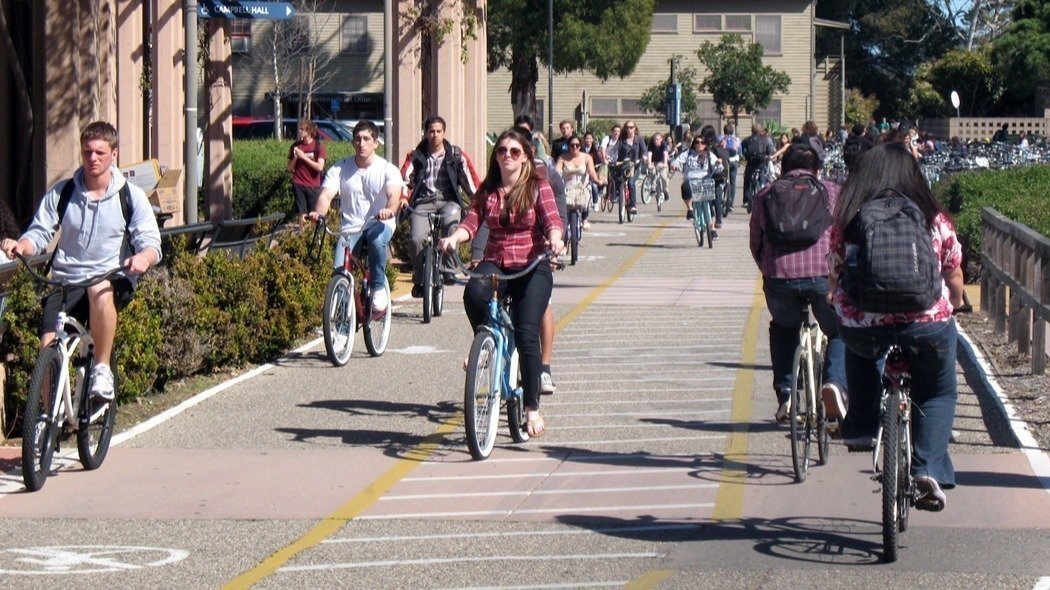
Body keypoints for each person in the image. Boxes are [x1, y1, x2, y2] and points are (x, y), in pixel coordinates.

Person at [827, 142, 965, 512]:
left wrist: (838, 295)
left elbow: (835, 268)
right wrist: (957, 300)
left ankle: (859, 426)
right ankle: (927, 468)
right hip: (925, 324)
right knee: (938, 392)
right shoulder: (932, 216)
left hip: (864, 322)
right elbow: (953, 269)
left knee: (857, 349)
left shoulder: (851, 217)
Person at [2, 121, 162, 401]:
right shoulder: (64, 193)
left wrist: (143, 259)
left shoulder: (131, 196)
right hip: (66, 279)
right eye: (87, 152)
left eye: (100, 152)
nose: (93, 159)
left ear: (114, 154)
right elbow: (39, 232)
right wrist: (22, 245)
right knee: (48, 346)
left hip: (110, 278)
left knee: (99, 288)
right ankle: (45, 414)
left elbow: (151, 243)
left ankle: (102, 369)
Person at [440, 128, 565, 437]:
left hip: (532, 264)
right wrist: (456, 236)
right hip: (497, 261)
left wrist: (556, 239)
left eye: (514, 152)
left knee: (526, 332)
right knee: (474, 292)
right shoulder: (490, 189)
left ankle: (532, 407)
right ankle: (487, 342)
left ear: (525, 157)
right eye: (501, 151)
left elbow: (552, 221)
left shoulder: (538, 187)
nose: (506, 156)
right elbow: (472, 220)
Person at [749, 143, 847, 423]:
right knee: (839, 331)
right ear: (818, 169)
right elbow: (846, 236)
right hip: (822, 278)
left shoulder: (766, 194)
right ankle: (834, 385)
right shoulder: (833, 192)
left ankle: (787, 395)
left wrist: (767, 268)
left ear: (783, 167)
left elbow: (756, 241)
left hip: (779, 279)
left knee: (783, 328)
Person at [306, 120, 402, 313]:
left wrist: (389, 210)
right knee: (340, 269)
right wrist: (319, 212)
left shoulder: (386, 169)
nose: (361, 143)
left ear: (376, 143)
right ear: (352, 143)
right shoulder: (340, 168)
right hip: (351, 226)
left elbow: (394, 196)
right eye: (357, 139)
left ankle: (378, 287)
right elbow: (326, 195)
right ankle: (341, 318)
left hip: (379, 223)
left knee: (376, 241)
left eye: (367, 139)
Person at [399, 115, 481, 297]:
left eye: (438, 131)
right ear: (426, 133)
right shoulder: (416, 156)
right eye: (431, 131)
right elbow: (405, 179)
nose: (435, 135)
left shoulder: (457, 156)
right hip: (423, 202)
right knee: (415, 238)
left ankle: (448, 269)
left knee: (452, 225)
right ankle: (420, 279)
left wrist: (478, 200)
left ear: (444, 133)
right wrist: (404, 198)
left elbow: (471, 181)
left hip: (448, 201)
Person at [675, 134, 722, 239]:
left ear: (706, 144)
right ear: (693, 143)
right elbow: (677, 161)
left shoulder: (709, 154)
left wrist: (718, 163)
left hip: (704, 180)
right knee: (685, 187)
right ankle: (690, 209)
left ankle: (712, 228)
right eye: (697, 142)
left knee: (709, 204)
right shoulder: (687, 154)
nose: (699, 145)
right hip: (691, 180)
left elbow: (718, 167)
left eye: (702, 142)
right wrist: (675, 165)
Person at [556, 135, 604, 230]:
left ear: (580, 146)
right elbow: (557, 171)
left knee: (587, 193)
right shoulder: (562, 157)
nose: (574, 147)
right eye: (572, 145)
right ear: (568, 146)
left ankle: (584, 219)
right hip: (567, 186)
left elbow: (592, 172)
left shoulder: (587, 157)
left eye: (577, 145)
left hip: (582, 186)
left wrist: (597, 181)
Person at [287, 120, 327, 215]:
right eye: (299, 129)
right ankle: (302, 229)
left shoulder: (318, 147)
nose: (299, 131)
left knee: (313, 213)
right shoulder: (296, 146)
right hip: (298, 183)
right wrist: (296, 157)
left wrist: (304, 157)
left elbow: (320, 167)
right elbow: (289, 168)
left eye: (302, 129)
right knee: (302, 214)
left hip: (313, 185)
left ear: (309, 131)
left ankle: (312, 229)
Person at [614, 120, 647, 215]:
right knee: (617, 178)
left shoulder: (639, 139)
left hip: (635, 166)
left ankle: (633, 206)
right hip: (623, 165)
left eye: (631, 127)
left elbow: (644, 150)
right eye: (627, 127)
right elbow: (614, 150)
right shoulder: (622, 139)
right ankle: (618, 195)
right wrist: (609, 156)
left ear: (635, 128)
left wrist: (644, 157)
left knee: (631, 183)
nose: (629, 129)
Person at [742, 123, 774, 208]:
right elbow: (769, 150)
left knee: (747, 179)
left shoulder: (747, 140)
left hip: (751, 162)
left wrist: (744, 156)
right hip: (761, 162)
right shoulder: (765, 139)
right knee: (762, 176)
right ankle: (763, 193)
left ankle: (746, 200)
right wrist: (767, 156)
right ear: (760, 130)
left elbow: (742, 150)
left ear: (752, 130)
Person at [580, 131, 606, 210]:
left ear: (592, 139)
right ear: (584, 140)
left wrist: (596, 164)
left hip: (594, 169)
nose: (588, 140)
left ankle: (595, 202)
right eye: (587, 139)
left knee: (594, 185)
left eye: (590, 138)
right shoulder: (581, 148)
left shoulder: (596, 148)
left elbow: (600, 159)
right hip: (584, 170)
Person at [719, 124, 741, 210]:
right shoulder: (736, 139)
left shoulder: (721, 138)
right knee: (733, 182)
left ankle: (722, 199)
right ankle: (731, 204)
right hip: (734, 161)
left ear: (724, 131)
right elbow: (739, 150)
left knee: (723, 180)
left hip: (725, 161)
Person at [645, 132, 671, 200]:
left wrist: (665, 164)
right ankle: (653, 189)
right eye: (654, 140)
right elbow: (649, 154)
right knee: (652, 173)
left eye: (657, 139)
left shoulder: (664, 144)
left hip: (662, 161)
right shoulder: (651, 144)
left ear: (661, 139)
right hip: (654, 161)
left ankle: (666, 191)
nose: (655, 141)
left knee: (664, 177)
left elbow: (665, 154)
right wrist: (649, 164)